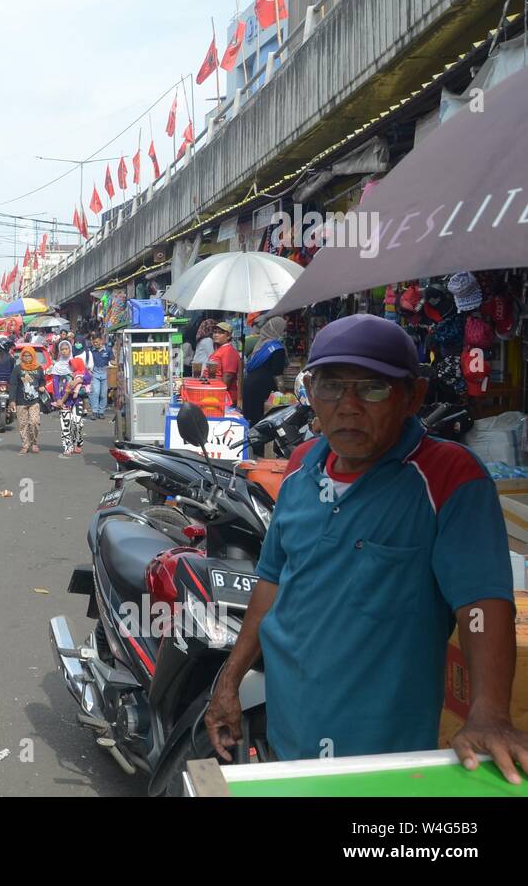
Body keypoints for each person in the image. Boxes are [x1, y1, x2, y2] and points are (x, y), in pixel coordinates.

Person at [204, 314, 528, 778]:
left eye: (372, 388)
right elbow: (273, 582)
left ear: (412, 396)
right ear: (310, 392)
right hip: (289, 729)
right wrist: (230, 680)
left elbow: (481, 602)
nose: (348, 405)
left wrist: (491, 713)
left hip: (379, 755)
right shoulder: (299, 467)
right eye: (331, 387)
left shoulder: (448, 476)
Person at [241, 316, 288, 427]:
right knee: (260, 422)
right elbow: (278, 375)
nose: (284, 332)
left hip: (249, 385)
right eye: (283, 329)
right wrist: (284, 394)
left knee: (250, 420)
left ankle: (248, 443)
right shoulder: (277, 348)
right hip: (262, 389)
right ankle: (257, 444)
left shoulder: (261, 344)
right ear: (277, 329)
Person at [10, 345, 47, 454]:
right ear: (21, 356)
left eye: (29, 355)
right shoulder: (17, 369)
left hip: (34, 401)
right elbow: (13, 384)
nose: (26, 357)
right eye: (24, 355)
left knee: (34, 422)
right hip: (20, 401)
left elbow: (42, 380)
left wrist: (42, 386)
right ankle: (25, 444)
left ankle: (34, 443)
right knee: (22, 424)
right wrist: (12, 400)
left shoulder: (39, 368)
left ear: (33, 356)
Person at [56, 355, 89, 457]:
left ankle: (78, 442)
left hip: (77, 401)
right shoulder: (58, 370)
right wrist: (58, 399)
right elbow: (55, 383)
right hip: (63, 401)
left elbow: (88, 378)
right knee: (65, 426)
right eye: (70, 365)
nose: (71, 366)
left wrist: (79, 380)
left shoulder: (82, 372)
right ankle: (68, 447)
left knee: (78, 423)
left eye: (72, 365)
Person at [205, 321, 242, 408]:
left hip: (224, 397)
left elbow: (228, 376)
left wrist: (218, 393)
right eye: (215, 332)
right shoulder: (220, 349)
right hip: (214, 392)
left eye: (220, 333)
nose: (216, 335)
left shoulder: (229, 351)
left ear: (228, 336)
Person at [87, 335, 112, 420]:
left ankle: (101, 412)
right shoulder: (90, 350)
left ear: (101, 341)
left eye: (96, 342)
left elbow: (112, 360)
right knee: (95, 392)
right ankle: (94, 412)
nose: (95, 344)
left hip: (105, 372)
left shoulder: (108, 349)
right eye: (94, 342)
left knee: (103, 394)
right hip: (94, 373)